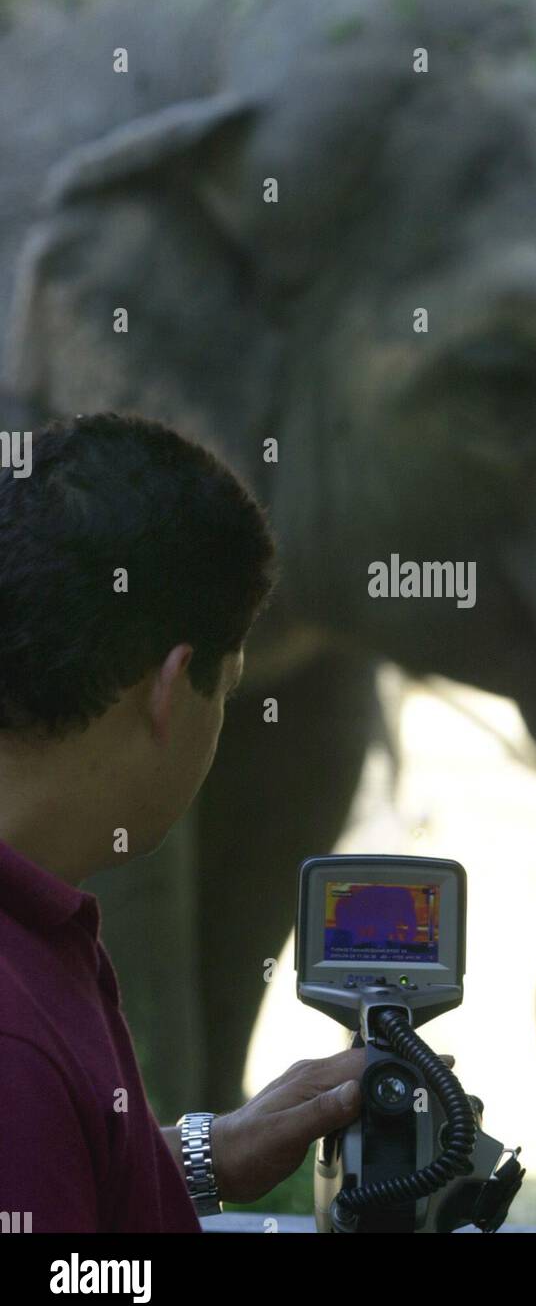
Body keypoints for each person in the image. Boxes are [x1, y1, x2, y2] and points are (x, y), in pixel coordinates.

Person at [0, 412, 371, 1232]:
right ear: (172, 691)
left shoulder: (38, 941)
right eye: (228, 690)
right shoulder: (14, 1041)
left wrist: (205, 1153)